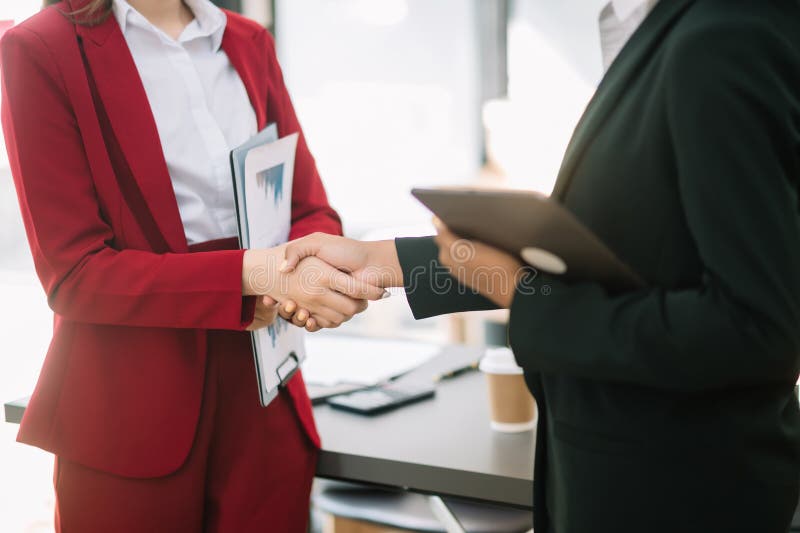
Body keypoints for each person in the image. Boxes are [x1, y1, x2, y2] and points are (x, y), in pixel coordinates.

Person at [279, 0, 800, 531]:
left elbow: (757, 331)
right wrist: (378, 260)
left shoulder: (721, 40)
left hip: (675, 492)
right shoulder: (665, 30)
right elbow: (620, 259)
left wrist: (518, 296)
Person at [1, 0, 384, 531]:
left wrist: (302, 271)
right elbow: (75, 273)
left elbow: (309, 208)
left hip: (265, 391)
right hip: (130, 407)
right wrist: (254, 274)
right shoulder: (40, 49)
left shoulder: (248, 40)